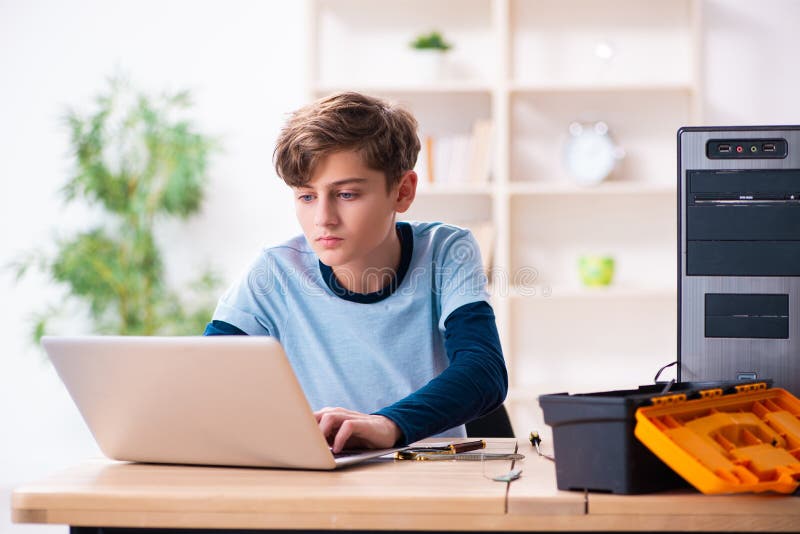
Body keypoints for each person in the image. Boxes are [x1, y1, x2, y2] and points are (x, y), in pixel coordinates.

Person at [204, 91, 507, 453]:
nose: (323, 219)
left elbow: (483, 370)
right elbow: (205, 377)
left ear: (402, 192)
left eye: (346, 194)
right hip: (327, 479)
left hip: (428, 476)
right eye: (306, 196)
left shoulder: (446, 251)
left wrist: (389, 424)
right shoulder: (275, 270)